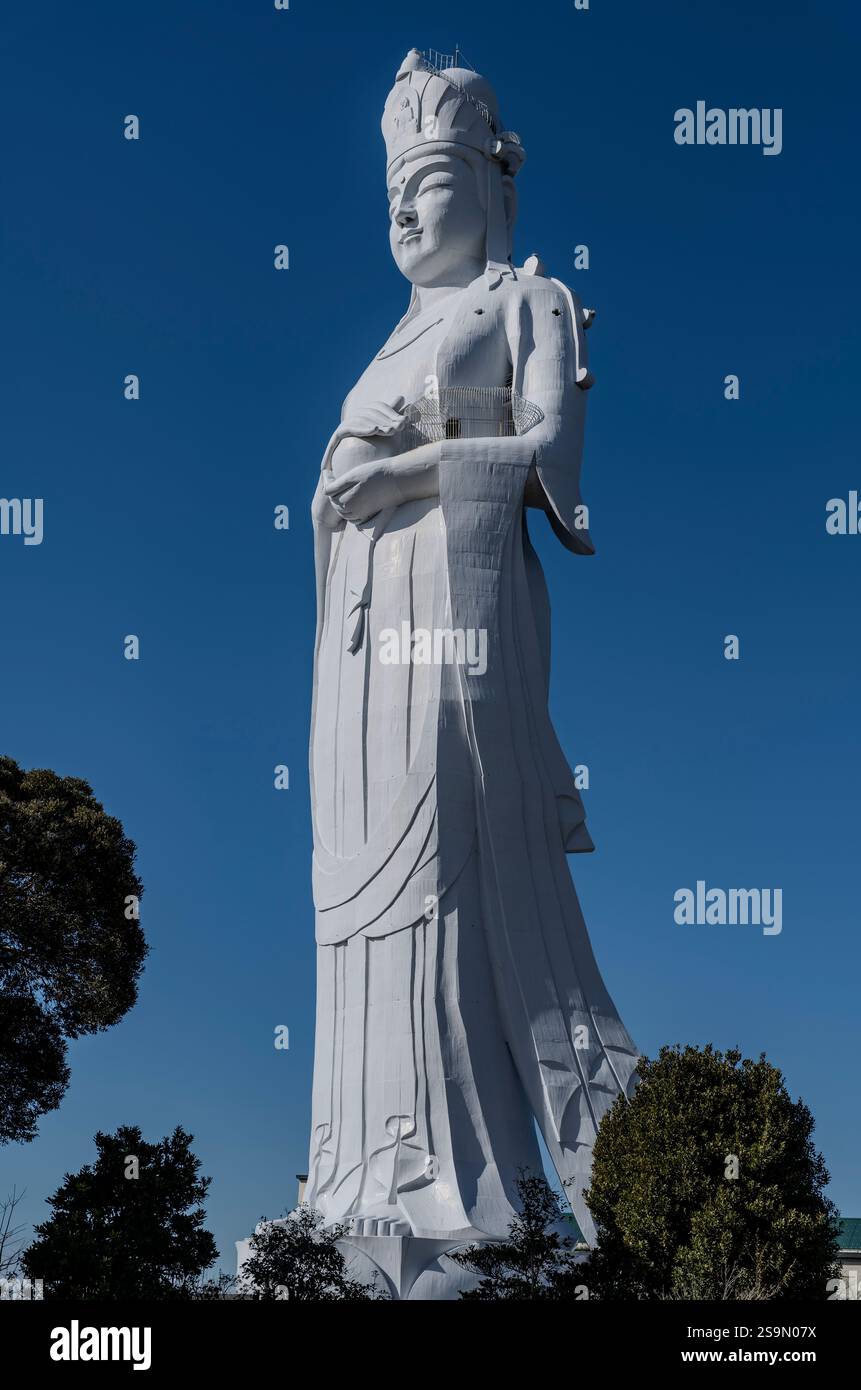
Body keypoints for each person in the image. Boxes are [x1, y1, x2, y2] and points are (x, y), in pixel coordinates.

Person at [306, 49, 638, 1250]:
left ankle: (477, 1205)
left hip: (457, 621)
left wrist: (408, 468)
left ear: (490, 184)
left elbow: (550, 459)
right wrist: (345, 487)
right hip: (355, 663)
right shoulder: (382, 344)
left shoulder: (522, 301)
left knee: (454, 878)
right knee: (360, 910)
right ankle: (351, 1188)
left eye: (428, 179)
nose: (400, 207)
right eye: (389, 188)